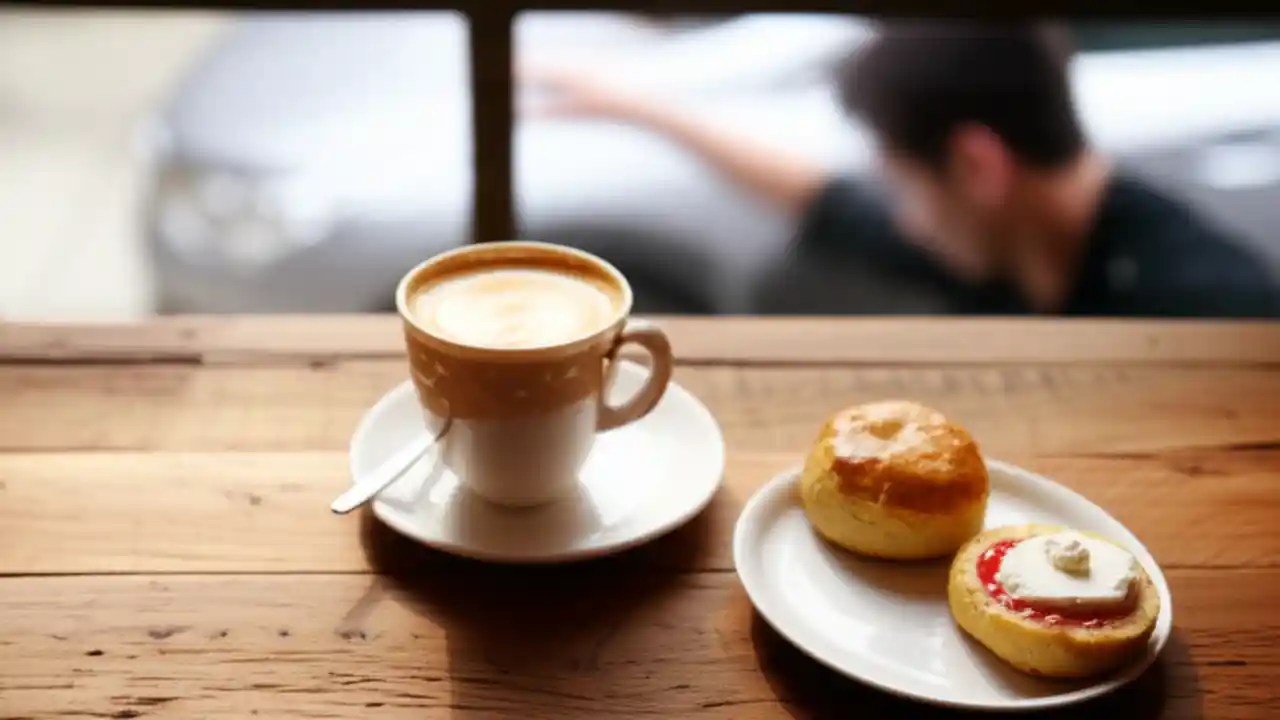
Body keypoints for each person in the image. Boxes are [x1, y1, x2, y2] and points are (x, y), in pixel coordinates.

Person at [526, 22, 1279, 317]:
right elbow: (820, 200)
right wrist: (636, 106)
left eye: (907, 187)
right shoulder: (1007, 241)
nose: (906, 218)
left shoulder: (1212, 306)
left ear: (977, 164)